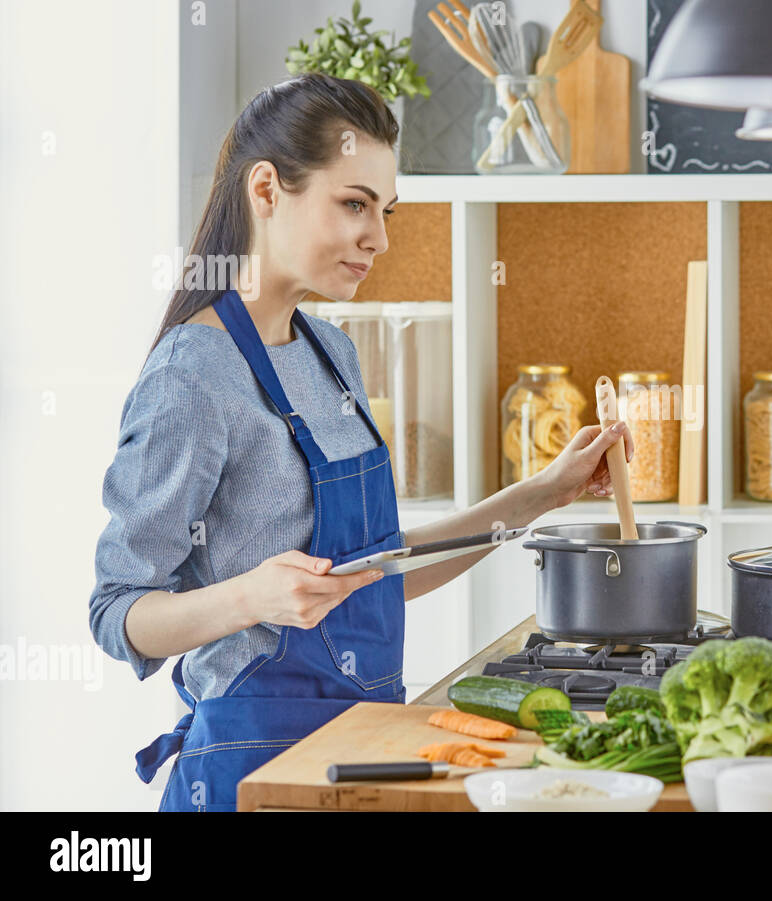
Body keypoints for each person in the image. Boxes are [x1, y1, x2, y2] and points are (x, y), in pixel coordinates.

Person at [88, 73, 633, 811]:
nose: (378, 237)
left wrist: (545, 492)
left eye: (386, 210)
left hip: (362, 755)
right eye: (354, 204)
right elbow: (119, 615)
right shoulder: (193, 374)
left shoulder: (330, 351)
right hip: (254, 775)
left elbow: (376, 573)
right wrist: (254, 596)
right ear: (266, 191)